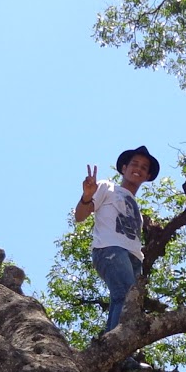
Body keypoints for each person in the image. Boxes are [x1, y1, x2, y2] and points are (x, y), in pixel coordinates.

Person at [74, 145, 158, 349]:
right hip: (110, 249)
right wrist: (87, 196)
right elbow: (80, 216)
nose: (138, 168)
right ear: (123, 168)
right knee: (127, 297)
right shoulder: (107, 187)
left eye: (144, 167)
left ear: (147, 176)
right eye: (134, 164)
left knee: (125, 302)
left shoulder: (137, 209)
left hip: (133, 257)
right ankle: (119, 353)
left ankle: (108, 349)